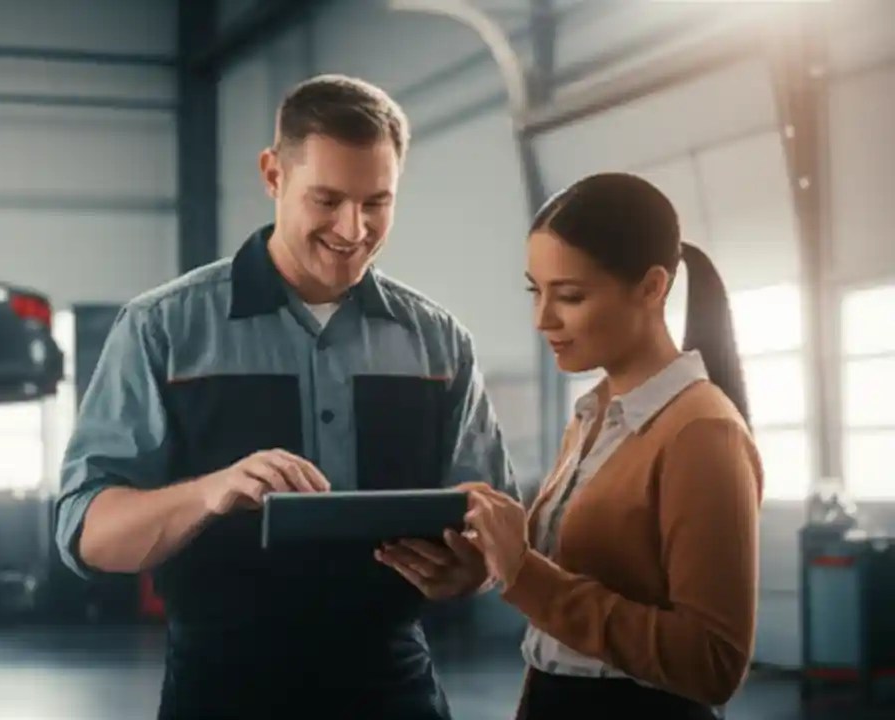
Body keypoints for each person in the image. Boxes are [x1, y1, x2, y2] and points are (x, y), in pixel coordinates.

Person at [54, 74, 517, 719]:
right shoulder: (163, 330)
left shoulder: (439, 345)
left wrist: (471, 571)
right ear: (274, 175)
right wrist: (210, 493)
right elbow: (87, 535)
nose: (353, 229)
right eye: (326, 200)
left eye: (376, 202)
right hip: (220, 692)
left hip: (393, 690)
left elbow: (495, 530)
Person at [454, 173, 764, 718]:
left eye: (569, 295)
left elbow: (711, 662)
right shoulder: (592, 416)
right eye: (536, 290)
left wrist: (528, 575)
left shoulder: (701, 432)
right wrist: (492, 551)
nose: (542, 319)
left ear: (651, 288)